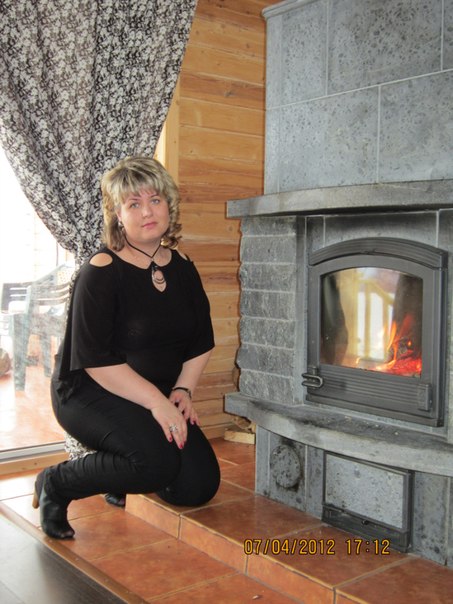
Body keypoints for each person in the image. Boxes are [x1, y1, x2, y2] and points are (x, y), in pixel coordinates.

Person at [32, 156, 221, 539]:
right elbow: (97, 362)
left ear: (169, 205)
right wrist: (157, 403)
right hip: (89, 392)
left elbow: (201, 340)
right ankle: (57, 483)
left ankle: (122, 471)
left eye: (155, 200)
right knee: (156, 463)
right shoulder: (101, 270)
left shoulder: (183, 266)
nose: (147, 211)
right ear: (118, 215)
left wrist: (183, 389)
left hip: (153, 393)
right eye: (133, 204)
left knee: (197, 486)